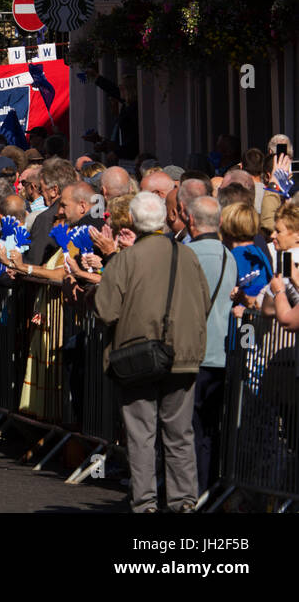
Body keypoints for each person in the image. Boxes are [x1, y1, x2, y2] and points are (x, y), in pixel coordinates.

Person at [94, 191, 210, 513]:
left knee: (141, 433)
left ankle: (145, 503)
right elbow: (204, 301)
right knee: (179, 433)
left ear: (132, 221)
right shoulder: (187, 255)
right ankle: (185, 501)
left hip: (137, 355)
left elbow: (105, 310)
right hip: (183, 353)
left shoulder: (126, 259)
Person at [184, 195, 237, 495]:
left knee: (188, 431)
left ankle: (192, 493)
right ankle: (208, 492)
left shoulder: (187, 254)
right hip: (220, 355)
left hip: (192, 354)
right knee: (209, 431)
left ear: (191, 220)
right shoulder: (229, 255)